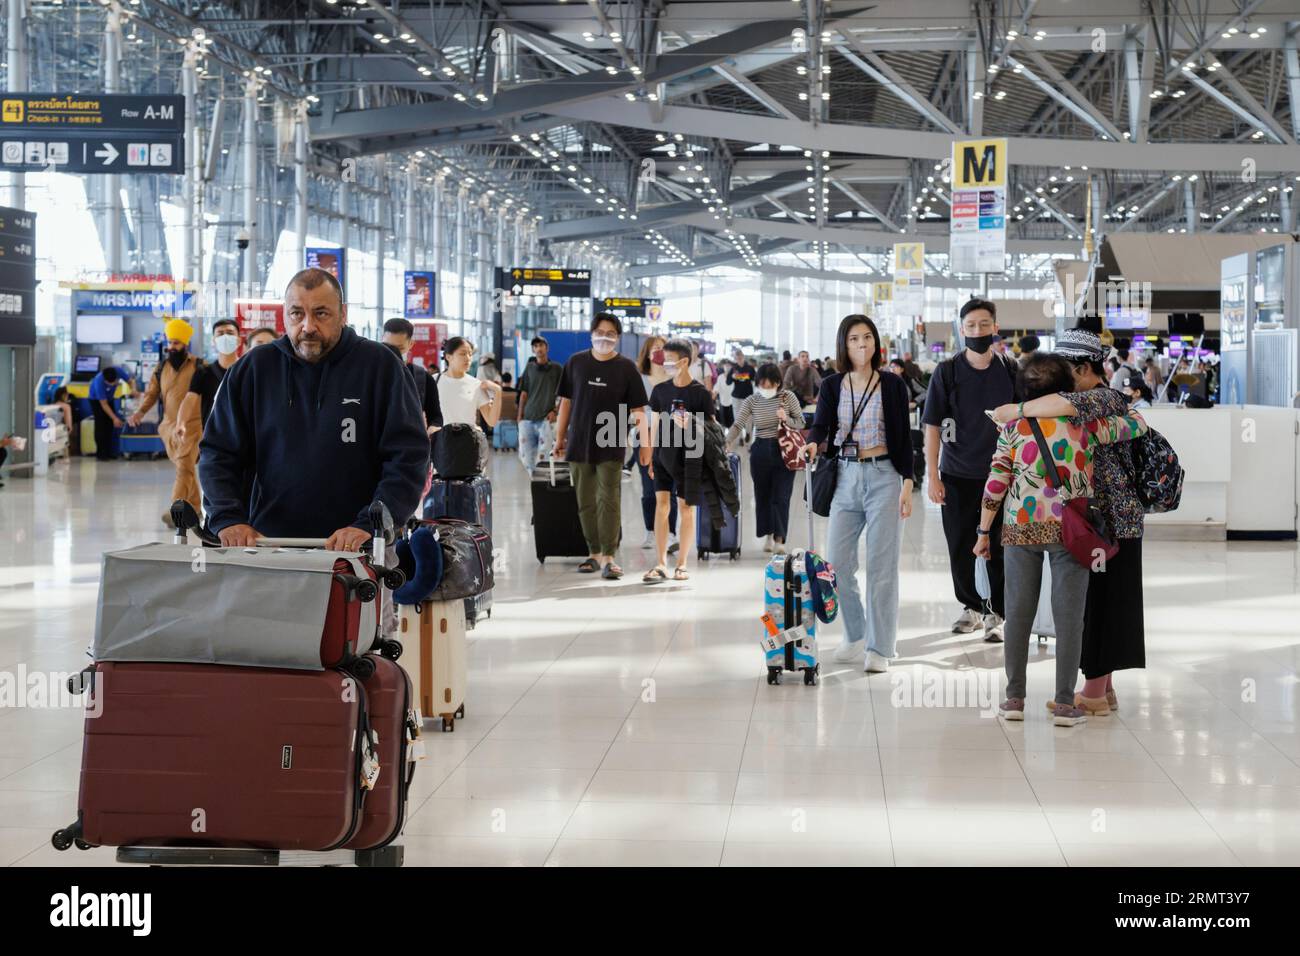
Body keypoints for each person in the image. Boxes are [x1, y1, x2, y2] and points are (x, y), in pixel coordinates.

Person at [199, 267, 427, 551]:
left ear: (343, 314)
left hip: (361, 549)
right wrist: (227, 517)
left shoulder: (380, 367)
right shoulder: (254, 369)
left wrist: (371, 525)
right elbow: (218, 452)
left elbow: (408, 456)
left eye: (321, 313)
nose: (307, 326)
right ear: (285, 314)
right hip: (268, 545)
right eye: (297, 313)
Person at [976, 352, 1148, 725]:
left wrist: (982, 530)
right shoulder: (1085, 427)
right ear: (1067, 388)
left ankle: (1014, 699)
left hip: (1020, 529)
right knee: (1070, 618)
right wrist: (1098, 403)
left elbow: (996, 483)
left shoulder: (1013, 429)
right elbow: (1138, 424)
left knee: (1018, 616)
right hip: (1072, 531)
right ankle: (1065, 703)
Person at [800, 315, 914, 672]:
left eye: (867, 337)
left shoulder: (892, 385)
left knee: (882, 568)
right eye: (854, 339)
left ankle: (880, 647)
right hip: (844, 478)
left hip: (884, 476)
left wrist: (908, 483)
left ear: (876, 343)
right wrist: (812, 445)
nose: (862, 344)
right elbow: (820, 425)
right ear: (844, 345)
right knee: (836, 565)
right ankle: (856, 634)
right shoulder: (833, 385)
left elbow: (903, 436)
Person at [922, 297, 1019, 642]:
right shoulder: (947, 372)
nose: (977, 331)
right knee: (961, 542)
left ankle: (998, 611)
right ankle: (972, 607)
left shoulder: (1011, 370)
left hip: (1003, 475)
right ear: (961, 330)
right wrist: (932, 475)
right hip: (958, 474)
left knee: (1000, 544)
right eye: (970, 326)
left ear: (995, 327)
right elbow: (932, 425)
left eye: (983, 324)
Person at [554, 312, 651, 580]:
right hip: (579, 443)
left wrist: (646, 446)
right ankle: (593, 552)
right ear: (591, 333)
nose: (604, 338)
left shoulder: (627, 368)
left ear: (618, 338)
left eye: (610, 334)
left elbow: (639, 409)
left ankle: (610, 555)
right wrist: (559, 438)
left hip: (612, 442)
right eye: (600, 332)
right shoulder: (575, 363)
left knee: (608, 499)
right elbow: (566, 403)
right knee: (585, 500)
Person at [643, 339, 715, 583]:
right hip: (663, 455)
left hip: (691, 458)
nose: (665, 363)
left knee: (687, 508)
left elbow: (712, 428)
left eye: (670, 359)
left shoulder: (700, 394)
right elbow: (655, 424)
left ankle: (682, 564)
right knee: (661, 505)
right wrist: (652, 454)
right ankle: (661, 562)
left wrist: (693, 423)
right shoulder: (660, 391)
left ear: (684, 361)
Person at [127, 318, 205, 524]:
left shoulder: (199, 366)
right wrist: (139, 413)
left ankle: (175, 511)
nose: (172, 347)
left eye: (176, 343)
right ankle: (195, 507)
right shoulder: (161, 368)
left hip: (194, 426)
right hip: (168, 427)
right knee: (185, 468)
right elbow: (152, 394)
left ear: (185, 344)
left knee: (183, 467)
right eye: (170, 343)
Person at [727, 362, 803, 554]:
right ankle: (768, 535)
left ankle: (780, 539)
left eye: (769, 385)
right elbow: (738, 424)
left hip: (784, 450)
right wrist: (726, 442)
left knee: (782, 496)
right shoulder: (752, 400)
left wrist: (786, 418)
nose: (765, 388)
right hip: (760, 449)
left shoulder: (788, 397)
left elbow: (801, 423)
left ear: (778, 383)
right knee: (763, 496)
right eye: (762, 384)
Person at [634, 335, 676, 550]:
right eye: (655, 348)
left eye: (663, 348)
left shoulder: (674, 378)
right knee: (650, 489)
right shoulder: (638, 379)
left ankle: (671, 533)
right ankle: (651, 531)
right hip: (645, 437)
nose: (659, 352)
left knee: (671, 489)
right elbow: (634, 412)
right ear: (647, 354)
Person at [380, 318, 444, 439]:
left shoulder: (423, 378)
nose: (392, 354)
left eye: (399, 348)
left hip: (409, 447)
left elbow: (435, 416)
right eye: (388, 347)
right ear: (381, 339)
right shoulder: (369, 374)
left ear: (411, 344)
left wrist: (433, 428)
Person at [515, 335, 562, 476]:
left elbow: (563, 395)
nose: (538, 348)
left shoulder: (557, 369)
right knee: (525, 455)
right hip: (528, 418)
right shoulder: (529, 368)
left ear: (547, 348)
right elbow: (524, 393)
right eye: (535, 346)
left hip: (545, 420)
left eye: (541, 345)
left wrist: (555, 411)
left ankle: (544, 481)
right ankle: (534, 479)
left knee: (544, 456)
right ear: (533, 350)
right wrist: (519, 415)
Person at [437, 336, 502, 428]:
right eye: (463, 354)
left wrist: (498, 391)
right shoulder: (434, 381)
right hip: (440, 440)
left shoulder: (476, 385)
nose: (468, 358)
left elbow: (491, 421)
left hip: (467, 440)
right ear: (448, 357)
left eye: (470, 354)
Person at [87, 363, 135, 461]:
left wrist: (133, 390)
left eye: (116, 382)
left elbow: (130, 381)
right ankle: (101, 454)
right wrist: (114, 418)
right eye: (112, 384)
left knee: (110, 425)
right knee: (101, 425)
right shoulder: (98, 382)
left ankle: (110, 452)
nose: (115, 384)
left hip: (109, 399)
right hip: (96, 401)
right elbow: (103, 404)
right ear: (105, 381)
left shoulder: (118, 371)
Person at [727, 348, 756, 432]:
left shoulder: (750, 368)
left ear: (743, 357)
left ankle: (748, 434)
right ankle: (739, 437)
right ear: (735, 359)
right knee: (737, 418)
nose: (739, 360)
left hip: (748, 396)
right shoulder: (733, 369)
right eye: (737, 358)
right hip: (736, 396)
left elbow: (756, 379)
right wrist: (732, 377)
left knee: (749, 418)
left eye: (740, 358)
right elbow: (728, 382)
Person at [713, 359, 736, 429]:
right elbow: (716, 389)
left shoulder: (735, 377)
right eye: (726, 366)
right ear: (723, 367)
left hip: (733, 404)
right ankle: (723, 438)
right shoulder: (720, 377)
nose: (727, 367)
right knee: (722, 423)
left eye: (729, 366)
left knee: (732, 424)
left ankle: (734, 438)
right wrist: (711, 400)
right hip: (722, 403)